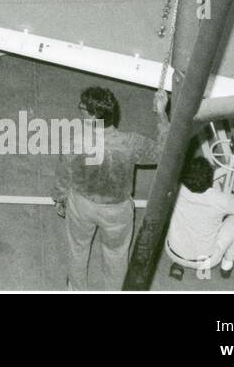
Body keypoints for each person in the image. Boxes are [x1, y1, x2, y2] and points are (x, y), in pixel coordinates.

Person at [53, 86, 170, 290]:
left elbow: (64, 174)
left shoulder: (76, 141)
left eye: (83, 109)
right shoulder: (131, 143)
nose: (80, 111)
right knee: (116, 255)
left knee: (78, 248)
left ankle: (76, 288)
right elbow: (165, 153)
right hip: (117, 211)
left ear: (91, 117)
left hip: (82, 205)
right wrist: (161, 114)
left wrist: (59, 198)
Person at [165, 156, 234, 279]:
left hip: (172, 251)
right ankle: (227, 263)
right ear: (209, 179)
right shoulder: (221, 200)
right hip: (205, 261)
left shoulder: (175, 188)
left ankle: (179, 263)